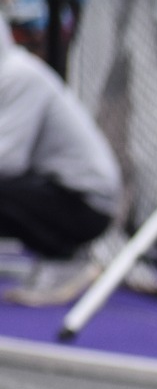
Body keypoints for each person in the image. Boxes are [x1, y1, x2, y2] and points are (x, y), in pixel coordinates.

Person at [0, 23, 122, 305]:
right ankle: (58, 256)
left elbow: (7, 160)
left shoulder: (19, 76)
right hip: (63, 193)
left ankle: (64, 259)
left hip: (86, 204)